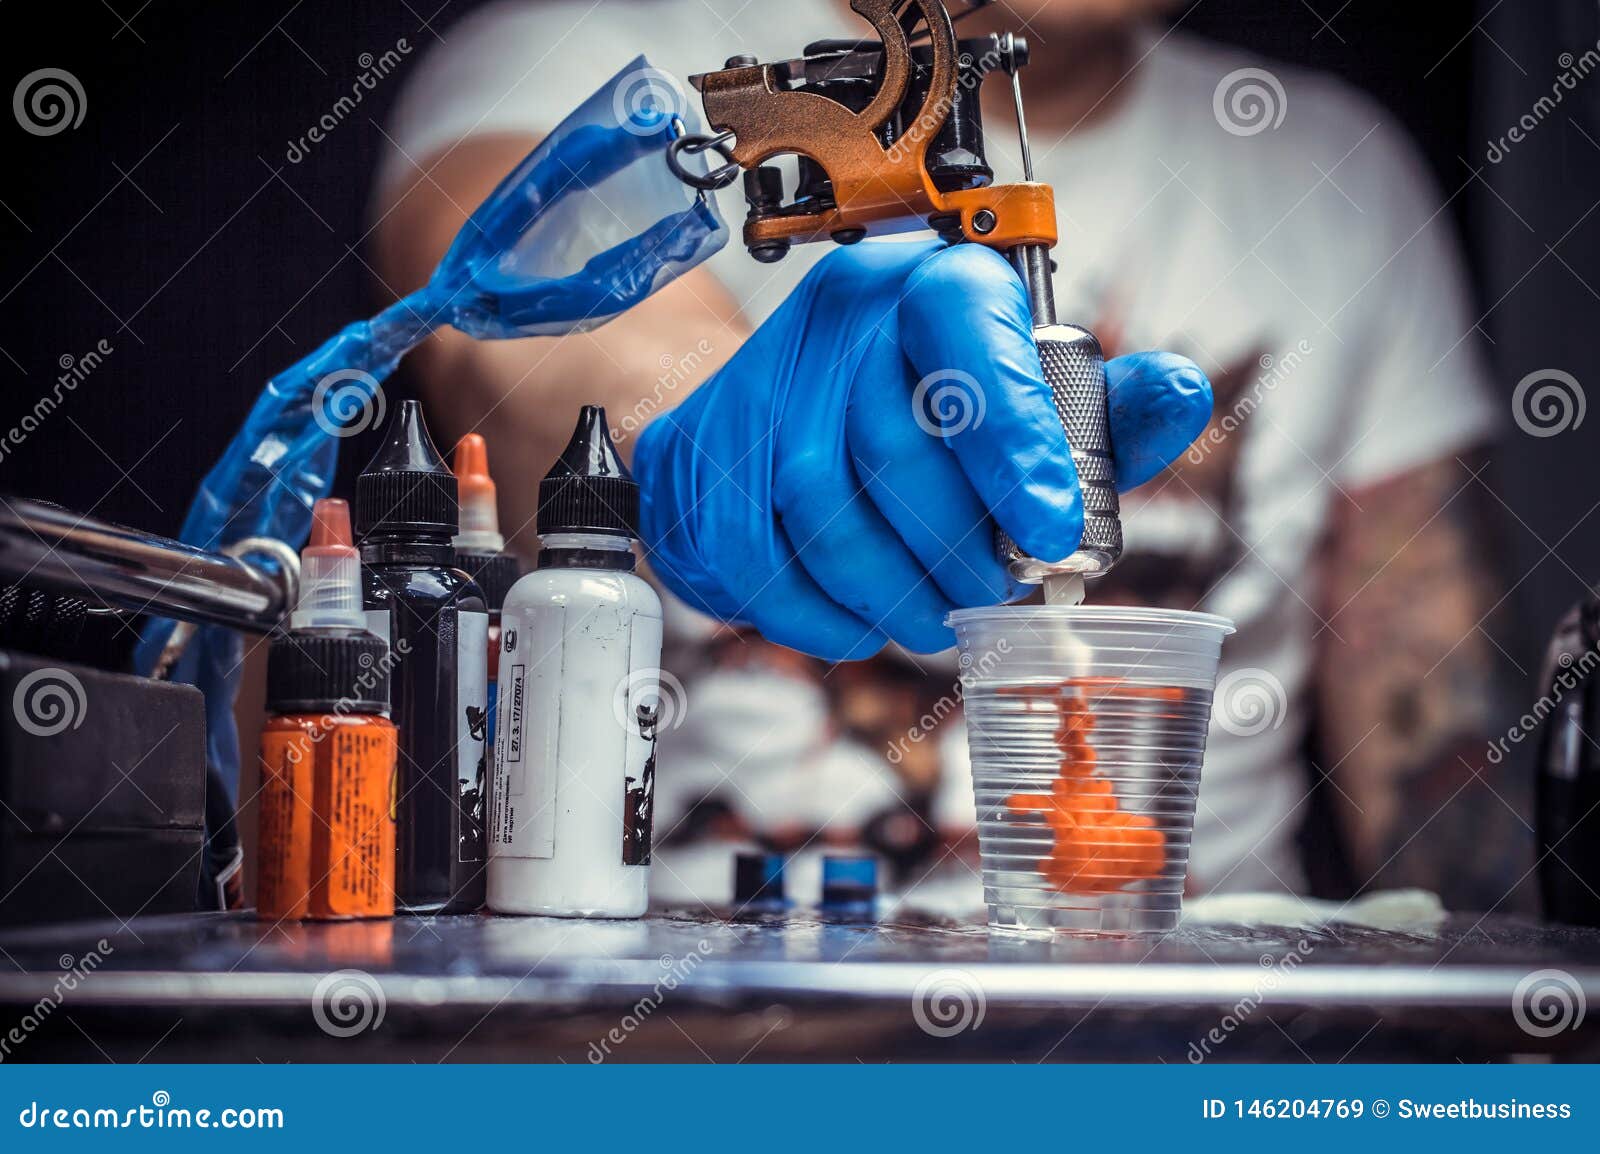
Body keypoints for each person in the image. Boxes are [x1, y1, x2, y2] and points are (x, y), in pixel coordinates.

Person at [371, 0, 1528, 909]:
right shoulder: (574, 60)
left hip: (1174, 1044)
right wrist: (696, 427)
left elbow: (1438, 744)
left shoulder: (1332, 175)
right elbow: (505, 338)